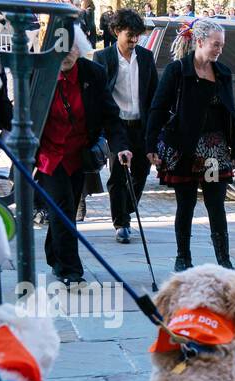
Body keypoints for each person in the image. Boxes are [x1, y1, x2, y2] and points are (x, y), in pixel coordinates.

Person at [35, 25, 131, 283]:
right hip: (49, 154)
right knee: (64, 208)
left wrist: (121, 146)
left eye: (71, 48)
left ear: (80, 49)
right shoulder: (39, 73)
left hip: (78, 155)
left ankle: (54, 257)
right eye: (59, 48)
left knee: (62, 210)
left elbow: (110, 115)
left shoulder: (93, 73)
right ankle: (71, 271)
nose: (65, 54)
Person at [145, 18, 235, 271]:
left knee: (215, 204)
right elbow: (157, 108)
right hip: (184, 148)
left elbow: (230, 112)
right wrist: (150, 145)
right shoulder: (176, 70)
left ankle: (224, 259)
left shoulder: (223, 73)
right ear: (199, 42)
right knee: (185, 205)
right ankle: (183, 257)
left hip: (213, 150)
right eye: (216, 44)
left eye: (222, 45)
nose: (219, 49)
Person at [95, 8, 159, 246]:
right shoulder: (103, 58)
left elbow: (154, 93)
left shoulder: (145, 57)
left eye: (137, 36)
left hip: (141, 125)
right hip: (116, 126)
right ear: (116, 32)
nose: (134, 40)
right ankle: (121, 223)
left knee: (141, 172)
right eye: (129, 35)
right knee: (119, 174)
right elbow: (99, 95)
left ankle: (127, 208)